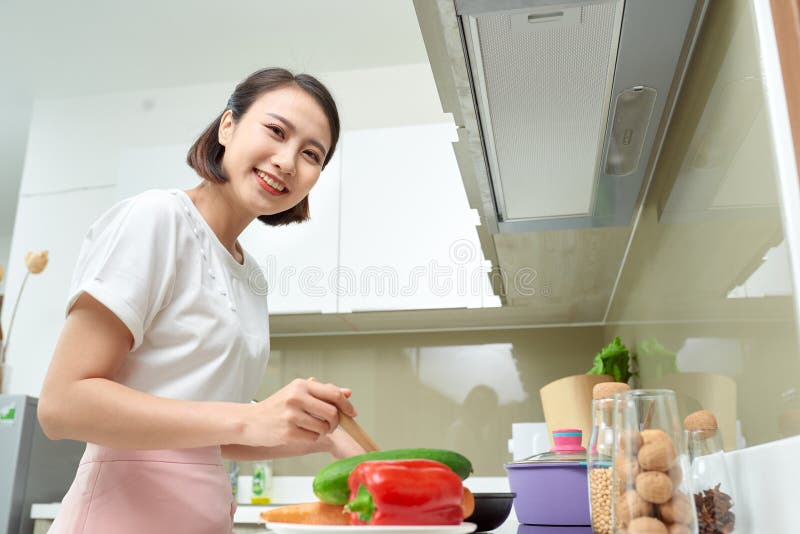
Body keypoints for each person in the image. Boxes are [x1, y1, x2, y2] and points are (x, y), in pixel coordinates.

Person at [38, 68, 364, 534]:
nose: (288, 161)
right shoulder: (158, 218)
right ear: (227, 127)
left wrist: (322, 438)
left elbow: (209, 435)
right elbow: (62, 404)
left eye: (311, 154)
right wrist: (251, 417)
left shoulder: (250, 277)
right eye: (276, 130)